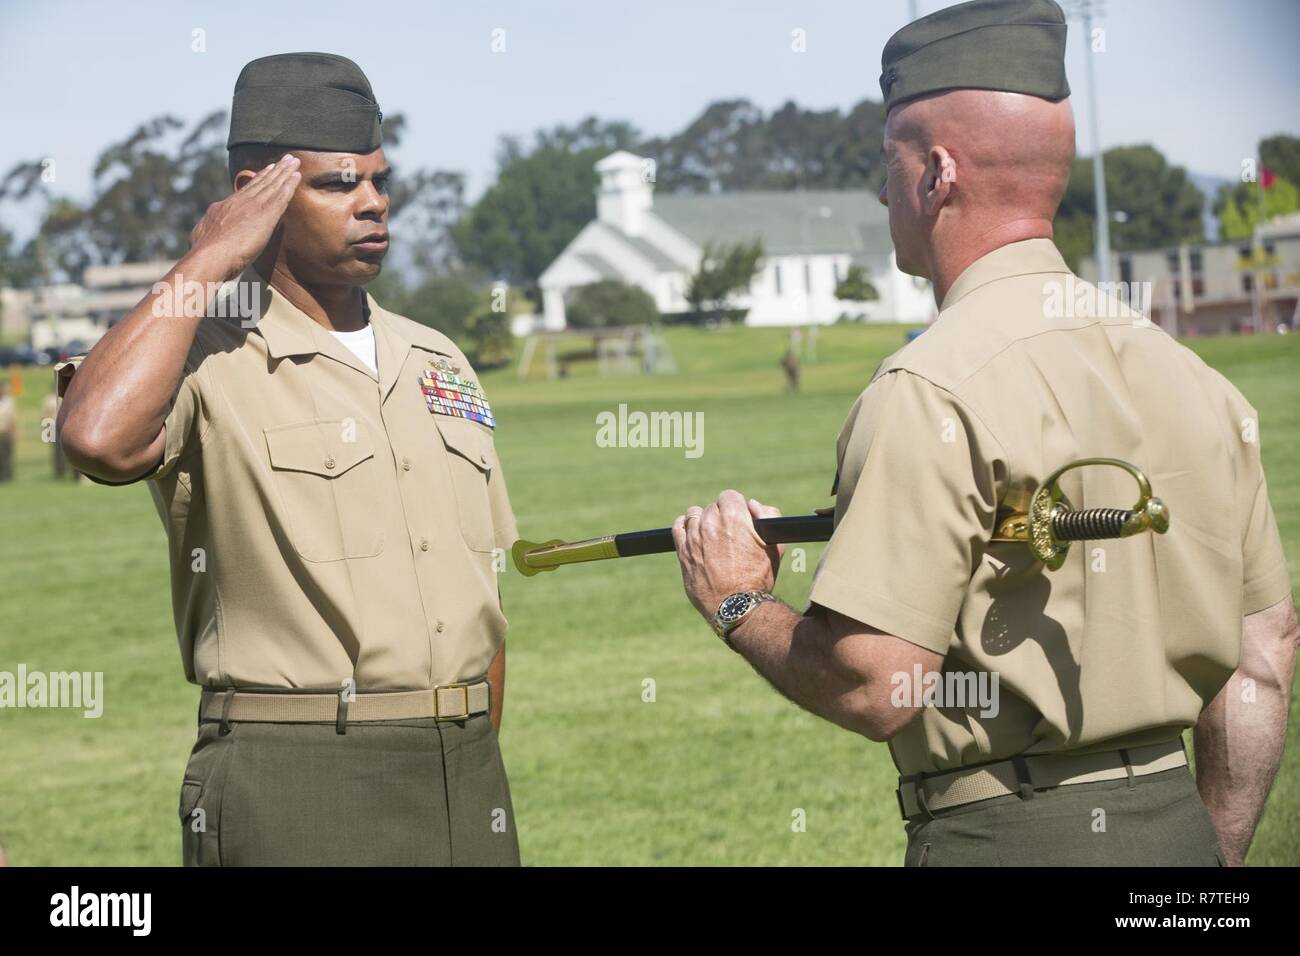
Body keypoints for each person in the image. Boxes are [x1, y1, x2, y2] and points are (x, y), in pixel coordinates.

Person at [670, 0, 1295, 866]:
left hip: (1010, 836)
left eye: (888, 164)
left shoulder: (925, 386)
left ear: (938, 173)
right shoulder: (1197, 380)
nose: (880, 190)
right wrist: (1210, 862)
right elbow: (1264, 652)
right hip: (1175, 832)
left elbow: (878, 683)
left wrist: (738, 601)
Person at [56, 52, 521, 866]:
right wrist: (208, 261)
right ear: (254, 198)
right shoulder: (205, 352)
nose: (373, 202)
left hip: (466, 770)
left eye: (379, 180)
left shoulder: (436, 357)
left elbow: (480, 588)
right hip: (299, 775)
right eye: (337, 184)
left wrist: (469, 736)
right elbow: (96, 436)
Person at [0, 381, 15, 482]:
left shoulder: (9, 401)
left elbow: (13, 419)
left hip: (5, 433)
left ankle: (7, 476)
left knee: (7, 455)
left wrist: (14, 433)